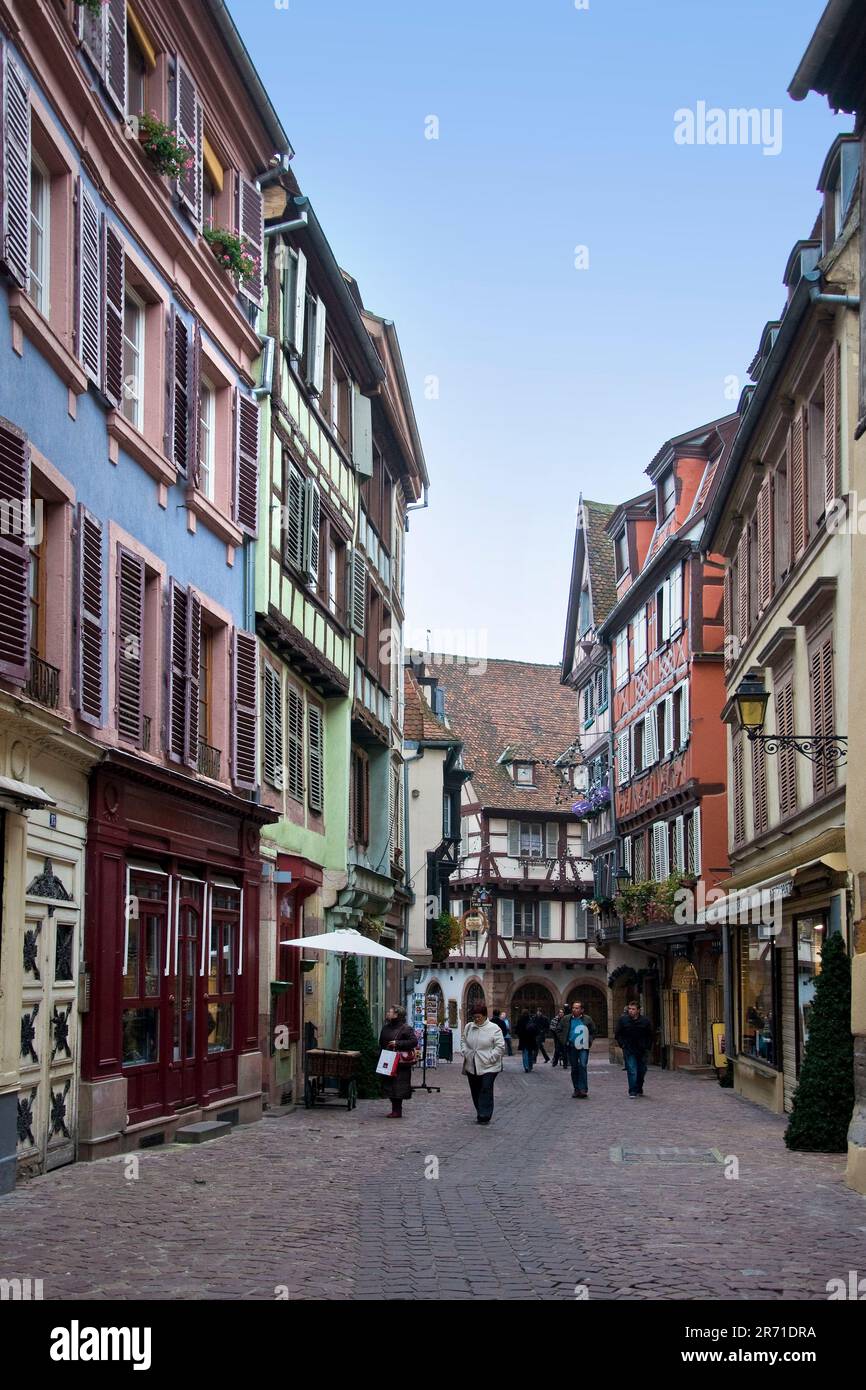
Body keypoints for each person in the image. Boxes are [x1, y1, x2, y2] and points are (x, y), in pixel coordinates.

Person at [460, 1003, 506, 1124]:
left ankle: (485, 1114)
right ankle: (480, 1110)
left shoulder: (494, 1028)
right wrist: (465, 1052)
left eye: (478, 1017)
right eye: (474, 1017)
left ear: (485, 1016)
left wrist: (491, 1058)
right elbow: (463, 1040)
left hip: (489, 1065)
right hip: (472, 1064)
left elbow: (500, 1047)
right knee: (475, 1089)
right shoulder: (469, 1027)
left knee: (486, 1088)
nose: (476, 1019)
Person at [378, 1005, 418, 1118]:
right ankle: (394, 1108)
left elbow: (413, 1041)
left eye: (390, 1012)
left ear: (397, 1015)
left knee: (398, 1085)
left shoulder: (406, 1028)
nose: (388, 1013)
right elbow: (381, 1042)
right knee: (388, 1084)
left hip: (400, 1062)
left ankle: (397, 1110)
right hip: (388, 1059)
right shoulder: (386, 1027)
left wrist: (398, 1043)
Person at [614, 1000, 654, 1097]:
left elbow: (650, 1035)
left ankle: (639, 1087)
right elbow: (618, 1034)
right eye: (629, 1009)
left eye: (633, 1009)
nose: (631, 1011)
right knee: (632, 1069)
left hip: (642, 1049)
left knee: (642, 1070)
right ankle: (632, 1090)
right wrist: (622, 1044)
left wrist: (647, 1046)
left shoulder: (645, 1021)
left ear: (638, 1010)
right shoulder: (623, 1020)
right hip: (629, 1048)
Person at [565, 1000, 597, 1098]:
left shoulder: (587, 1019)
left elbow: (593, 1031)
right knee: (574, 1068)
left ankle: (583, 1089)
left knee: (582, 1065)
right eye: (573, 1007)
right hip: (572, 1046)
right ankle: (576, 1089)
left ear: (582, 1010)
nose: (574, 1009)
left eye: (577, 1008)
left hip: (583, 1046)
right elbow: (559, 1030)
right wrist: (564, 1041)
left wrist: (589, 1040)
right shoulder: (567, 1019)